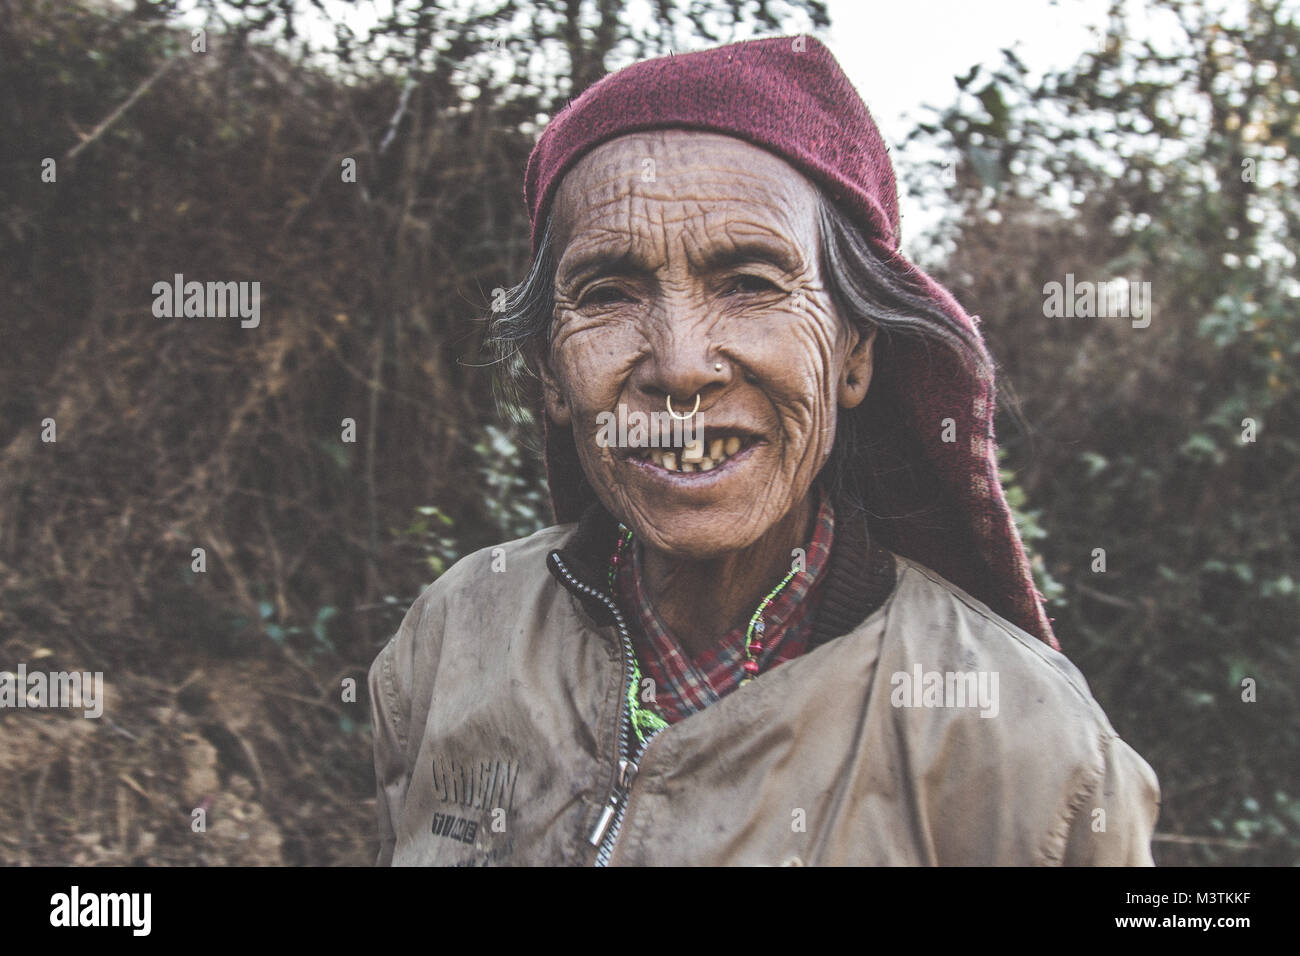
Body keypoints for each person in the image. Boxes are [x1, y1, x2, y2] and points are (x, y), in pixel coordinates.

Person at [368, 34, 1160, 866]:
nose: (679, 364)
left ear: (855, 352)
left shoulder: (1023, 748)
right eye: (607, 293)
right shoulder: (453, 637)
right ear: (552, 375)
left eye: (749, 283)